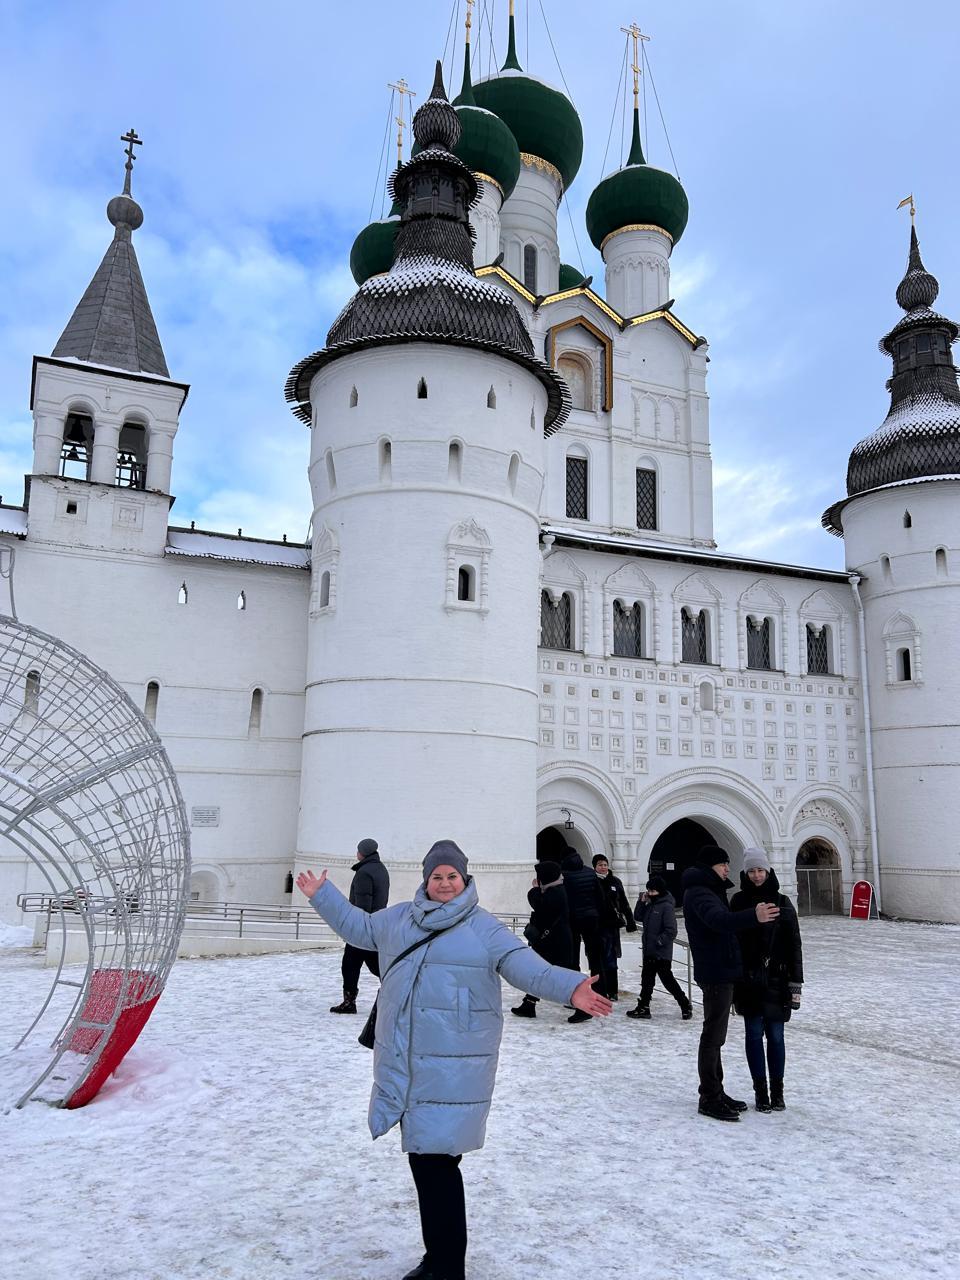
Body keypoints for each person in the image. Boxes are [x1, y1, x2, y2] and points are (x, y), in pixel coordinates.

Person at [297, 840, 611, 1280]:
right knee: (430, 1160)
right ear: (426, 879)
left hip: (453, 1065)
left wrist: (570, 987)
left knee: (434, 1162)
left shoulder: (483, 928)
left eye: (452, 876)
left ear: (465, 879)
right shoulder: (399, 919)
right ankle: (440, 1259)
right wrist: (322, 896)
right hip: (409, 1059)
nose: (445, 884)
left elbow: (525, 965)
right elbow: (359, 928)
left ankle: (445, 1266)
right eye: (437, 876)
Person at [681, 844, 780, 1122]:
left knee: (717, 1037)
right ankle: (709, 1097)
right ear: (709, 866)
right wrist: (753, 916)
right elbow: (718, 920)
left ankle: (717, 1090)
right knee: (713, 1037)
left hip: (721, 968)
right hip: (715, 971)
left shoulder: (709, 889)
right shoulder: (700, 892)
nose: (727, 868)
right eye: (722, 864)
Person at [730, 847, 804, 1112]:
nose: (757, 875)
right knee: (753, 1035)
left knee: (776, 1036)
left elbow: (794, 944)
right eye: (751, 871)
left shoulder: (783, 902)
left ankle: (778, 1092)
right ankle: (761, 1092)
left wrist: (796, 983)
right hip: (749, 980)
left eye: (760, 870)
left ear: (768, 871)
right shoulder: (739, 901)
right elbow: (733, 941)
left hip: (777, 979)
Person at [329, 837, 390, 1014]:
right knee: (375, 964)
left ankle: (349, 1002)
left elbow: (363, 903)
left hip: (362, 927)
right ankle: (398, 990)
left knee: (351, 964)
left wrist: (356, 925)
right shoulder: (381, 869)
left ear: (362, 852)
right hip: (376, 924)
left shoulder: (364, 873)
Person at [511, 859, 575, 1018]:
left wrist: (534, 890)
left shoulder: (555, 892)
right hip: (551, 941)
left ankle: (583, 1007)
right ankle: (529, 1004)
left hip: (554, 942)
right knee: (540, 973)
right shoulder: (553, 889)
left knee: (559, 975)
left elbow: (540, 906)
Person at [628, 874, 693, 1021]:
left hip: (661, 952)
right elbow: (638, 916)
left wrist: (658, 942)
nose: (650, 893)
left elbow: (671, 930)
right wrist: (641, 901)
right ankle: (643, 1007)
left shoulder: (666, 906)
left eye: (653, 891)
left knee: (667, 980)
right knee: (647, 981)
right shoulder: (650, 904)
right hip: (649, 951)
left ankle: (685, 1004)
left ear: (660, 891)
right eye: (649, 891)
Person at [560, 848, 609, 1022]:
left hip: (573, 920)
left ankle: (577, 992)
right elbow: (600, 897)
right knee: (595, 957)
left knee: (573, 958)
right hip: (591, 918)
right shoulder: (589, 872)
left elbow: (564, 900)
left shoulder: (564, 876)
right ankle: (601, 991)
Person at [592, 854, 636, 1000]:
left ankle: (612, 991)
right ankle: (599, 990)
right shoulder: (592, 881)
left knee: (611, 959)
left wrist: (630, 921)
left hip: (612, 925)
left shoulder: (615, 881)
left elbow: (623, 901)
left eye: (605, 864)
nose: (603, 867)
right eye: (600, 865)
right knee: (598, 958)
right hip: (597, 925)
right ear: (594, 866)